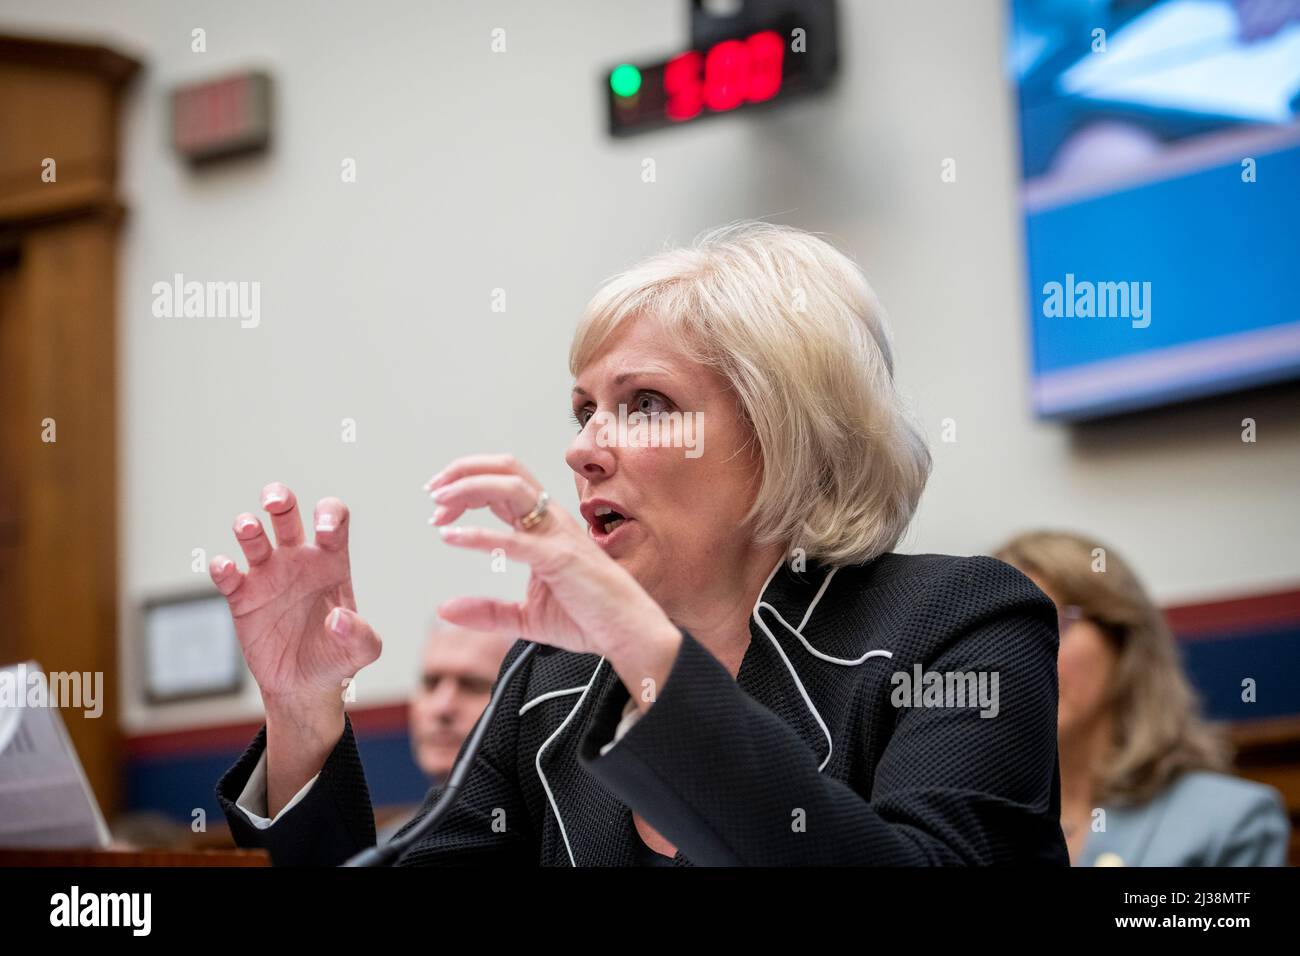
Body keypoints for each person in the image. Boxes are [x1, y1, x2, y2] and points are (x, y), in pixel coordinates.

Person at [211, 221, 1069, 866]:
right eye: (585, 410)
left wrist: (649, 655)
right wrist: (302, 718)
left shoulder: (963, 622)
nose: (582, 448)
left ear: (786, 429)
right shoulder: (551, 678)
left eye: (645, 403)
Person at [995, 530, 1290, 866]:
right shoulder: (966, 816)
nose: (1021, 657)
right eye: (1002, 636)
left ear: (1124, 644)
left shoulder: (1232, 822)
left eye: (1053, 624)